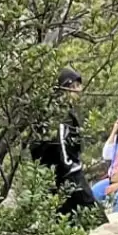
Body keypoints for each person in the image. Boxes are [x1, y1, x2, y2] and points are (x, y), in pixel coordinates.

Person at [30, 67, 100, 219]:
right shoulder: (62, 117)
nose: (77, 90)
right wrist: (72, 170)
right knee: (94, 217)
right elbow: (62, 147)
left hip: (53, 179)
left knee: (65, 219)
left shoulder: (50, 112)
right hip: (68, 177)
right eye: (72, 87)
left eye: (78, 86)